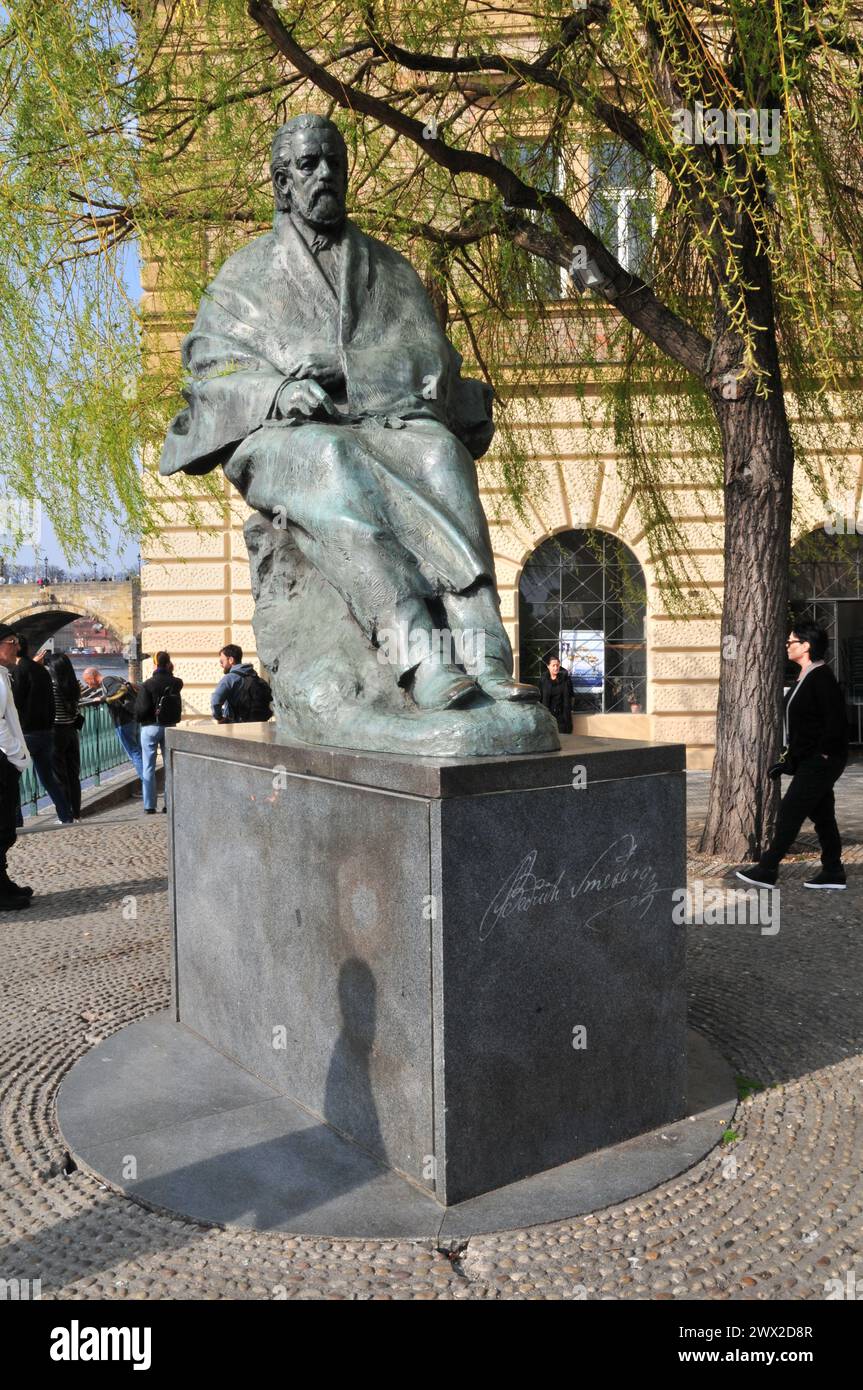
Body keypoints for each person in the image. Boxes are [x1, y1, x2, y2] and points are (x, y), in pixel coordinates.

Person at [159, 114, 538, 715]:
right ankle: (420, 657)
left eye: (334, 162)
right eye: (309, 165)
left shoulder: (389, 268)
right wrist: (280, 390)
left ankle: (482, 649)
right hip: (281, 437)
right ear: (283, 184)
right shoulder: (243, 275)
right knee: (333, 461)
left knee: (442, 455)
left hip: (381, 419)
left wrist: (347, 368)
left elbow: (431, 356)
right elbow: (209, 373)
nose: (325, 174)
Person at [736, 624, 849, 890]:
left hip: (822, 760)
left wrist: (822, 753)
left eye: (791, 642)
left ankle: (767, 868)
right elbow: (804, 727)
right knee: (823, 816)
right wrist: (789, 761)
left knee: (790, 811)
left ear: (806, 646)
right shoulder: (806, 675)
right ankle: (833, 871)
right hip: (810, 759)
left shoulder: (821, 677)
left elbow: (835, 722)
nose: (787, 645)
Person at [10, 633, 73, 825]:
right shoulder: (42, 671)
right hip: (46, 732)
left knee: (12, 779)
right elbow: (51, 702)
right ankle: (65, 815)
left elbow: (15, 703)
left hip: (26, 732)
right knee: (48, 778)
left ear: (17, 647)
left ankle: (17, 821)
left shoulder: (20, 671)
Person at [0, 624, 32, 908]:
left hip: (6, 759)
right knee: (1, 824)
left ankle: (4, 882)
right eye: (11, 642)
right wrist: (14, 756)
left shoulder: (3, 675)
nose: (16, 647)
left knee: (6, 824)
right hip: (2, 760)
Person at [134, 652, 183, 814]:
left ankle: (149, 805)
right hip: (170, 726)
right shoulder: (176, 683)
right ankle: (168, 804)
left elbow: (141, 709)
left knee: (149, 766)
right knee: (169, 766)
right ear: (169, 663)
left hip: (150, 727)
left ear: (155, 665)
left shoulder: (148, 684)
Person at [80, 667, 144, 784]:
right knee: (138, 751)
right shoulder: (114, 678)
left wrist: (103, 698)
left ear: (92, 677)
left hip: (124, 721)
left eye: (87, 681)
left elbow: (121, 690)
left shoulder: (107, 681)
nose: (88, 685)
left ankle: (147, 784)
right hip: (132, 718)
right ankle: (148, 784)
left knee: (135, 753)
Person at [44, 652, 83, 822]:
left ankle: (65, 814)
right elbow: (76, 710)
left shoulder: (51, 686)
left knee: (59, 775)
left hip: (55, 732)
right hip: (71, 731)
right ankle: (76, 812)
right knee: (73, 774)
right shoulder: (72, 685)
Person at [211, 644, 273, 722]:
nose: (221, 665)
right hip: (257, 726)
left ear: (231, 660)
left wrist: (219, 717)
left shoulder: (229, 679)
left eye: (222, 661)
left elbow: (215, 701)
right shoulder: (254, 676)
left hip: (236, 727)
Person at [540, 653, 573, 734]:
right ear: (548, 666)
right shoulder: (543, 680)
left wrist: (570, 710)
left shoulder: (566, 679)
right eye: (553, 665)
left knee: (563, 738)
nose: (556, 668)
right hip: (547, 715)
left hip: (562, 715)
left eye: (557, 665)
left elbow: (571, 696)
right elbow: (540, 697)